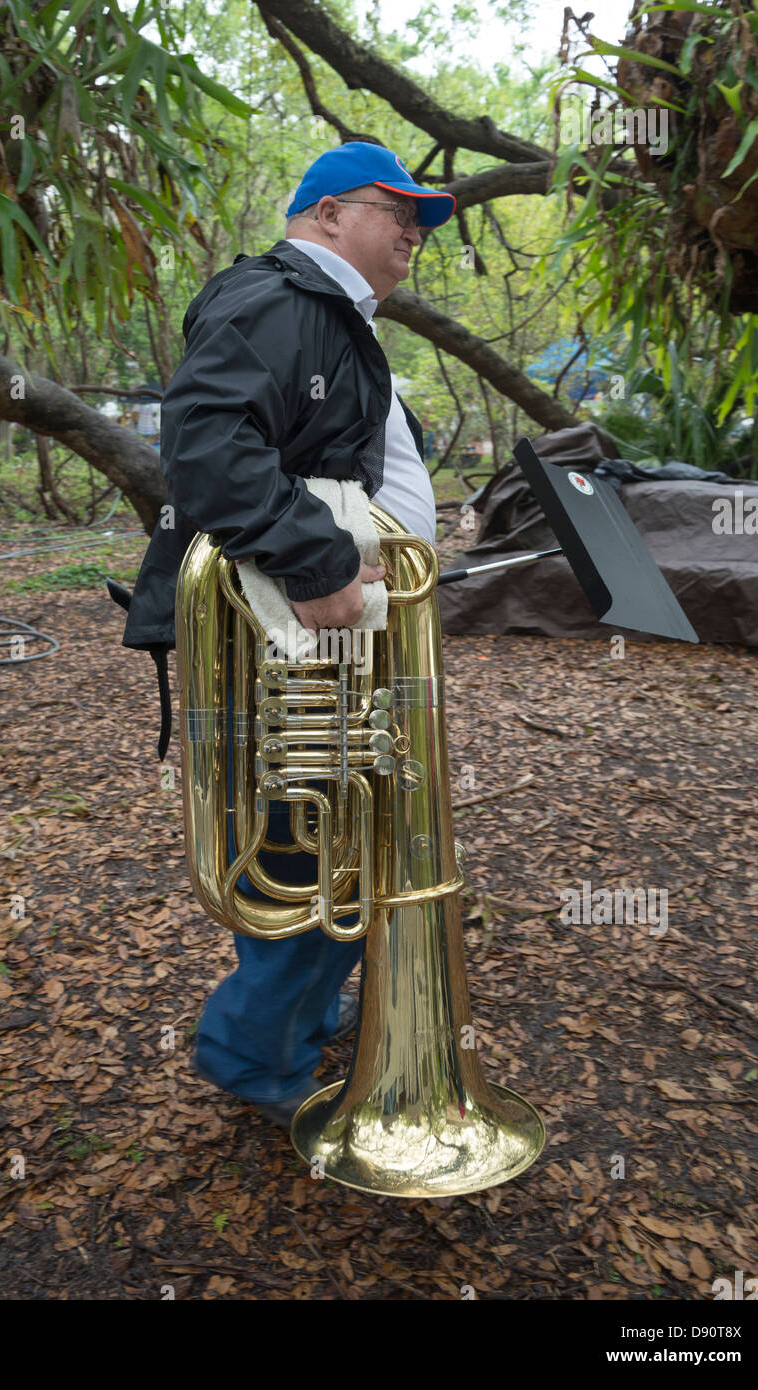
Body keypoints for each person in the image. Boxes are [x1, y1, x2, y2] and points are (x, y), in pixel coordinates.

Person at [120, 141, 455, 1128]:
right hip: (291, 627)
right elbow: (207, 440)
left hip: (334, 629)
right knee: (308, 848)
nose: (411, 232)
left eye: (420, 220)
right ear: (320, 214)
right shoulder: (276, 297)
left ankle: (293, 1022)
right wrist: (313, 560)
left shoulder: (329, 317)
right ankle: (254, 1057)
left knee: (348, 836)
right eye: (393, 210)